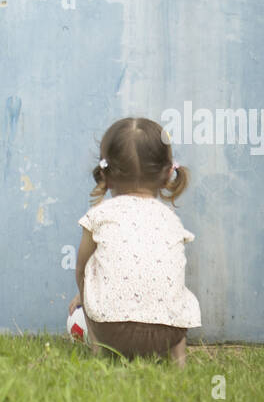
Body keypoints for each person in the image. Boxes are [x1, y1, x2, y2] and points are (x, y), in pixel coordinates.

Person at [68, 117, 201, 366]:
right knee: (176, 288)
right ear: (166, 174)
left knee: (90, 271)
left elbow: (81, 269)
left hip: (112, 332)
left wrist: (81, 295)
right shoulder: (171, 220)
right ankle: (180, 362)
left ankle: (99, 354)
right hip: (168, 334)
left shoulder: (100, 215)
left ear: (105, 174)